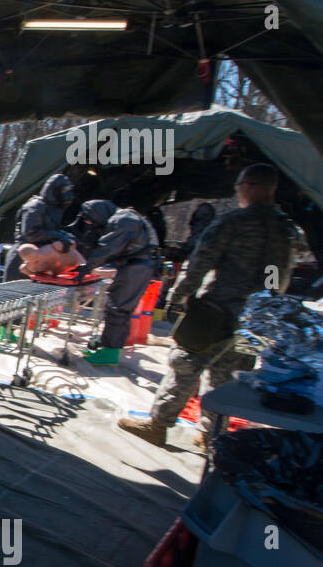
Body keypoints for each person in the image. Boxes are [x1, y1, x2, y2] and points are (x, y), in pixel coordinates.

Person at [118, 163, 295, 448]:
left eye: (239, 188)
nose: (238, 193)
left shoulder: (234, 222)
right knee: (228, 377)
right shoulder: (284, 230)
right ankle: (214, 434)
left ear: (249, 187)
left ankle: (158, 424)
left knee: (185, 366)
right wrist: (266, 303)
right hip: (255, 320)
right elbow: (277, 272)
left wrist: (179, 295)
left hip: (217, 310)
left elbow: (201, 262)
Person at [75, 199, 159, 365]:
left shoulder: (122, 220)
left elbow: (107, 247)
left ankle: (109, 354)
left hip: (135, 269)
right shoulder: (127, 216)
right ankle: (110, 348)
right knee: (121, 309)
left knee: (117, 309)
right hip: (137, 267)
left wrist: (87, 267)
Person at [5, 174, 77, 281]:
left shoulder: (53, 208)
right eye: (64, 189)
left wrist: (65, 236)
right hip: (23, 256)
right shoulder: (35, 206)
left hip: (40, 257)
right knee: (13, 294)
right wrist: (58, 236)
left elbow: (50, 231)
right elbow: (30, 233)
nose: (67, 194)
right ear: (55, 190)